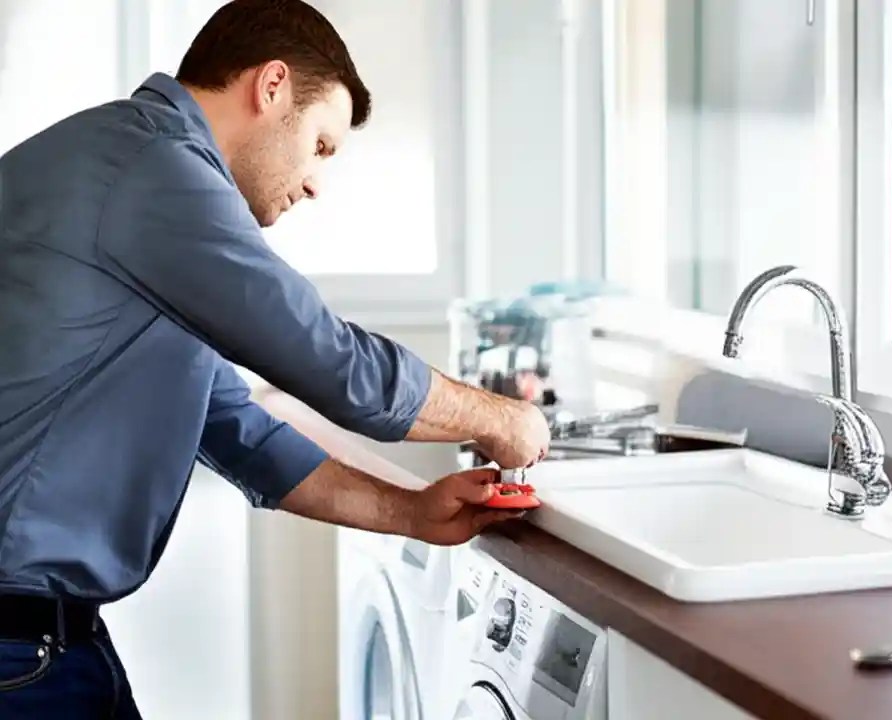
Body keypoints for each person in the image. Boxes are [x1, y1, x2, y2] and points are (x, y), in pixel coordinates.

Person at [0, 0, 550, 716]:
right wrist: (500, 417)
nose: (318, 181)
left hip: (50, 639)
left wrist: (412, 512)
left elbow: (231, 426)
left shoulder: (125, 168)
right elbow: (330, 361)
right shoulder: (154, 169)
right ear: (272, 87)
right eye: (321, 145)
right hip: (19, 648)